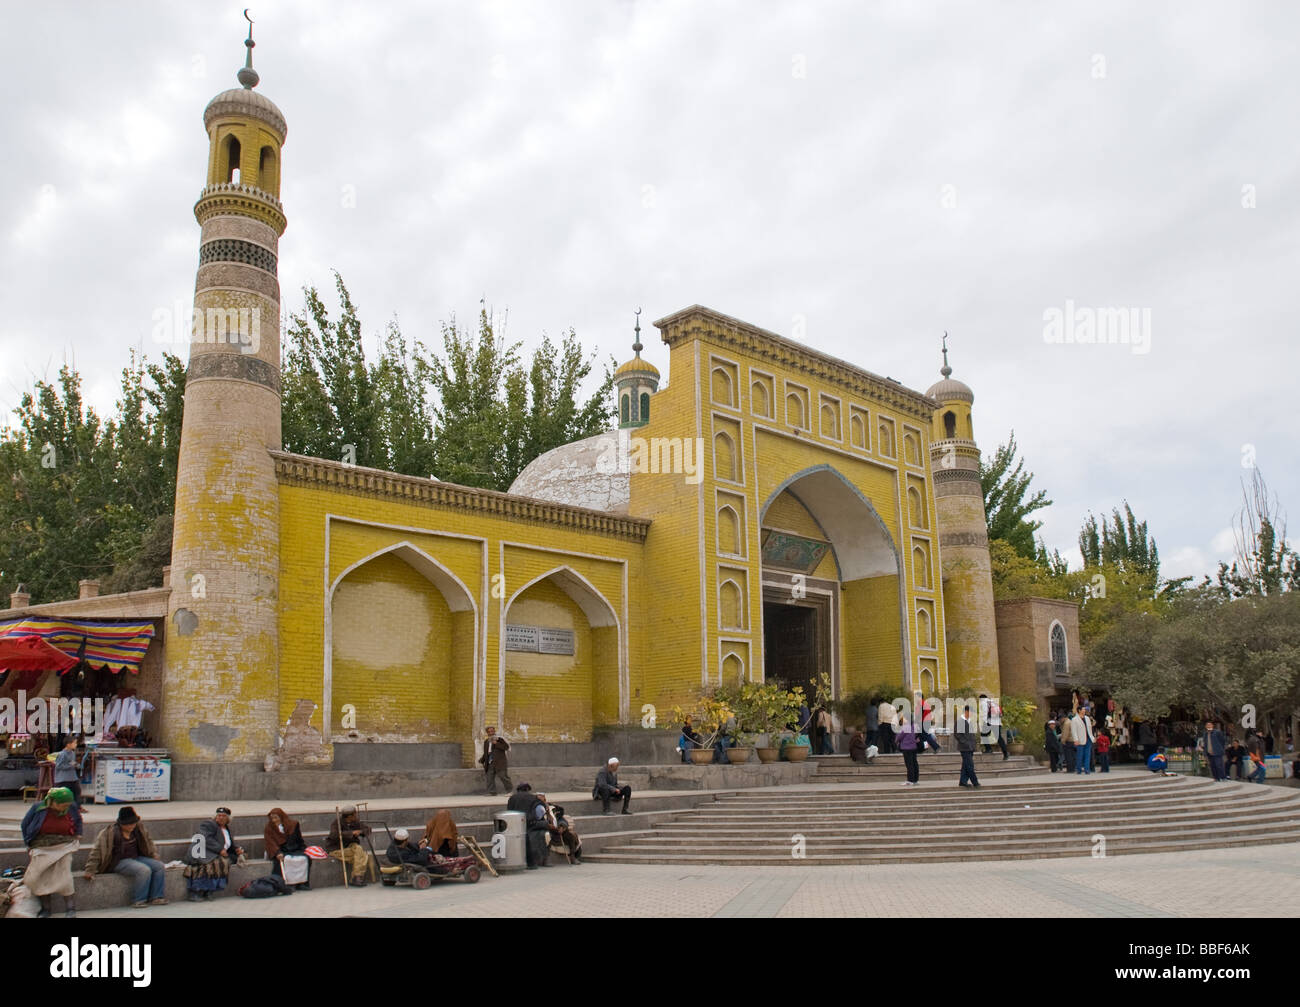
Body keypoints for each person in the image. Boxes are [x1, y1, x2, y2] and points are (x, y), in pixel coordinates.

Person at [82, 805, 167, 908]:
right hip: (118, 861)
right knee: (143, 870)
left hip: (136, 857)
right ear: (121, 823)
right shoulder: (108, 833)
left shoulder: (139, 829)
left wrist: (153, 853)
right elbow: (96, 852)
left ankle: (156, 897)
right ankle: (139, 899)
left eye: (133, 823)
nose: (131, 826)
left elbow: (148, 841)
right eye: (128, 824)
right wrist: (90, 870)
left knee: (159, 866)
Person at [20, 786, 83, 917]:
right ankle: (46, 909)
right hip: (42, 846)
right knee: (39, 877)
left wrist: (78, 833)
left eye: (67, 805)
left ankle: (71, 909)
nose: (64, 808)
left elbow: (78, 820)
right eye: (61, 805)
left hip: (64, 846)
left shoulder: (70, 807)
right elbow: (25, 824)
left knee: (65, 877)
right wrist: (28, 843)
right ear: (52, 801)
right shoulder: (38, 808)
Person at [184, 806, 244, 902]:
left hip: (215, 853)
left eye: (223, 816)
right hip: (202, 851)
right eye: (219, 815)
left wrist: (237, 849)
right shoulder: (208, 824)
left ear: (228, 818)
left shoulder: (226, 828)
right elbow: (205, 838)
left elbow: (229, 843)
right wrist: (220, 849)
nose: (220, 818)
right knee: (211, 864)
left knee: (225, 861)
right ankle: (196, 891)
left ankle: (209, 890)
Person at [264, 807, 311, 890]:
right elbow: (270, 842)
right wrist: (277, 852)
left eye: (276, 818)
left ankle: (302, 883)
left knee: (304, 858)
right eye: (272, 818)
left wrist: (304, 849)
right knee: (286, 860)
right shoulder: (269, 828)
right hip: (280, 850)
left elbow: (299, 839)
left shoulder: (293, 825)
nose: (274, 820)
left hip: (293, 848)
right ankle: (288, 884)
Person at [326, 805, 371, 887]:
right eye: (355, 814)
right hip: (338, 849)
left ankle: (356, 877)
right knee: (363, 856)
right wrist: (351, 833)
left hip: (351, 847)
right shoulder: (337, 822)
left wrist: (360, 832)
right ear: (350, 816)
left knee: (358, 850)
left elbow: (367, 829)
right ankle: (356, 877)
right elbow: (334, 835)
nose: (356, 816)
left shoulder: (356, 821)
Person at [507, 783, 550, 868]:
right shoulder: (533, 798)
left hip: (516, 823)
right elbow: (540, 812)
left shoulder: (512, 798)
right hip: (530, 823)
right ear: (527, 789)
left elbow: (509, 811)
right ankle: (531, 863)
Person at [479, 726, 512, 796]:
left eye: (492, 731)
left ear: (495, 731)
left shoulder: (500, 739)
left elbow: (506, 747)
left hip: (500, 762)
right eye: (489, 732)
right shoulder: (486, 742)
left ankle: (510, 791)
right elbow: (486, 753)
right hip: (490, 762)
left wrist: (496, 743)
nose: (491, 733)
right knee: (489, 777)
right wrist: (482, 760)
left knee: (503, 776)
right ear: (487, 733)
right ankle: (492, 792)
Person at [955, 706, 981, 788]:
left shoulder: (969, 721)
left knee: (965, 765)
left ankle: (962, 782)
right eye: (971, 712)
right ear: (966, 711)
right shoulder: (960, 721)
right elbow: (957, 734)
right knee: (970, 765)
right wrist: (966, 743)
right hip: (964, 747)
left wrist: (973, 744)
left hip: (970, 747)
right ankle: (975, 782)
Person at [53, 736, 84, 805]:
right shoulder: (62, 754)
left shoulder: (72, 753)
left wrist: (76, 765)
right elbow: (58, 766)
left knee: (77, 792)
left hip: (72, 778)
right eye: (74, 743)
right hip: (63, 779)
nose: (76, 744)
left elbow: (72, 762)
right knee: (63, 796)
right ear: (68, 744)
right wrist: (70, 766)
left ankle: (76, 808)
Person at [1071, 706, 1095, 774]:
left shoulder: (1087, 718)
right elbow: (1074, 731)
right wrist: (1076, 739)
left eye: (1084, 709)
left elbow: (1089, 729)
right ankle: (1079, 769)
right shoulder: (1074, 719)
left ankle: (1087, 769)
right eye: (1083, 709)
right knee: (1080, 755)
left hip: (1088, 739)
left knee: (1087, 755)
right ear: (1079, 710)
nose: (1084, 710)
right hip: (1080, 739)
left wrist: (1092, 737)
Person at [897, 715, 920, 787]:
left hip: (906, 748)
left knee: (909, 764)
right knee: (914, 763)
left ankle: (910, 780)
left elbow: (900, 736)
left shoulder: (906, 726)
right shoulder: (914, 726)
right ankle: (915, 780)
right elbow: (917, 734)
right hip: (913, 747)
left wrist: (896, 740)